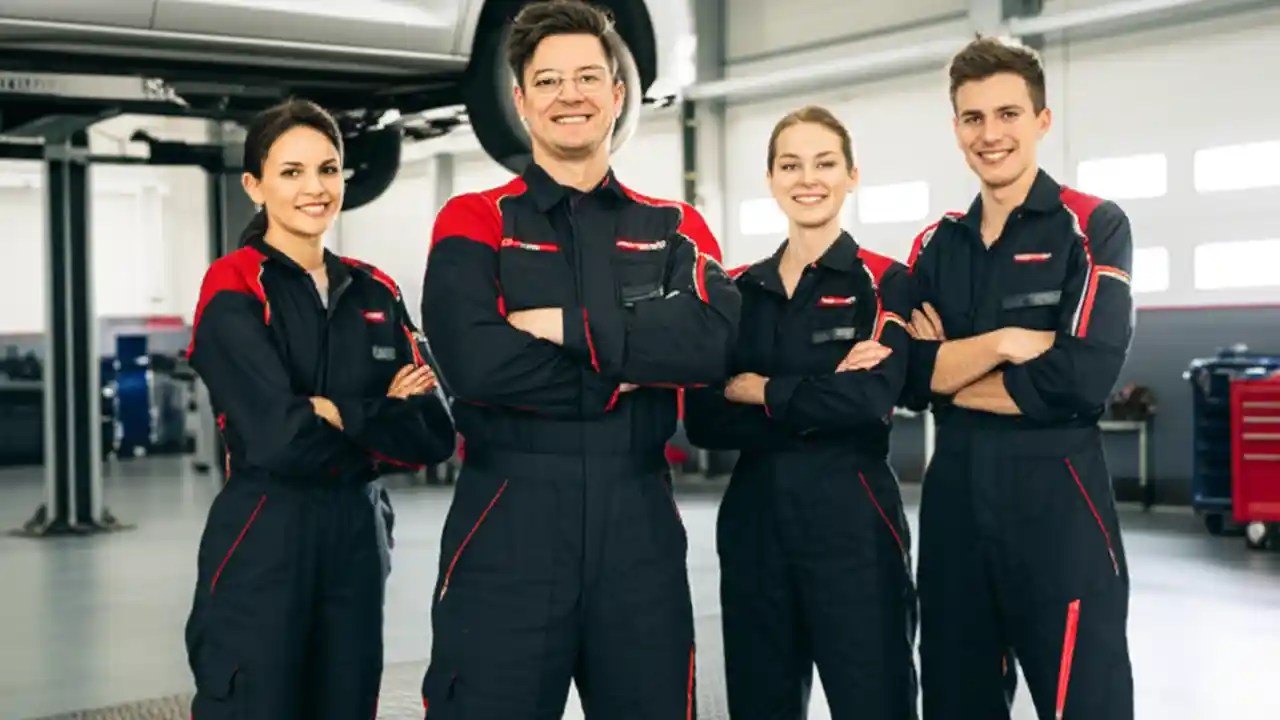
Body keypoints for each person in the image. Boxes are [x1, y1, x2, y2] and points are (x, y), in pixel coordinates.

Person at [418, 1, 740, 717]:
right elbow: (474, 363)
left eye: (590, 77)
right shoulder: (473, 219)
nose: (573, 94)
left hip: (639, 526)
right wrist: (627, 370)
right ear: (522, 100)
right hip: (508, 518)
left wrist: (565, 327)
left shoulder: (675, 226)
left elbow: (713, 343)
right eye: (551, 79)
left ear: (618, 96)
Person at [183, 98, 457, 720]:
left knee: (346, 701)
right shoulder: (235, 284)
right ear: (254, 184)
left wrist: (333, 410)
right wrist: (379, 411)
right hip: (266, 527)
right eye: (292, 171)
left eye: (328, 169)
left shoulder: (374, 288)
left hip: (359, 533)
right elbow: (278, 438)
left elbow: (436, 431)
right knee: (256, 702)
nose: (315, 188)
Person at [902, 37, 1135, 720]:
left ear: (1042, 120)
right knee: (954, 699)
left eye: (1007, 114)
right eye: (973, 119)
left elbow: (1080, 378)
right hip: (954, 508)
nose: (990, 134)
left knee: (1084, 700)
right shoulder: (935, 245)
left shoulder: (1093, 227)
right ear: (956, 130)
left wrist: (951, 372)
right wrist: (1005, 344)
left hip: (1058, 505)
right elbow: (908, 380)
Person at [684, 106, 918, 720]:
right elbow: (705, 417)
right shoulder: (737, 290)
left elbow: (868, 402)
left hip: (855, 525)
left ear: (851, 176)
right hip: (755, 527)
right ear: (771, 178)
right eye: (790, 164)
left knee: (875, 701)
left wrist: (757, 389)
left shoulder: (886, 282)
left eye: (824, 163)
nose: (807, 178)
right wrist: (819, 390)